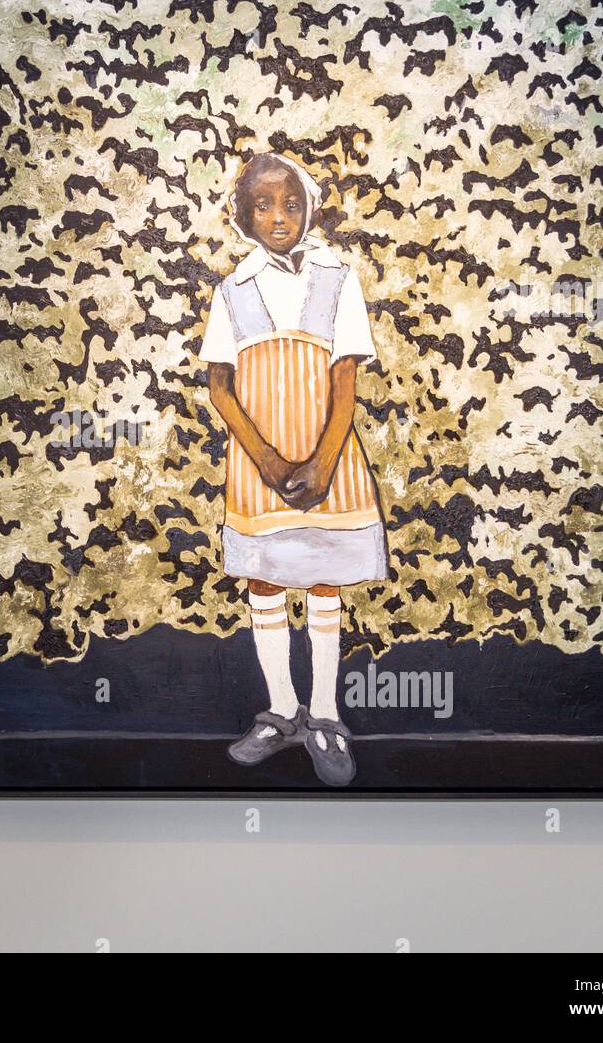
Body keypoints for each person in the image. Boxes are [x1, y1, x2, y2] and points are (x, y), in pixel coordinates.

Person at [196, 151, 390, 786]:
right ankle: (282, 709)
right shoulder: (233, 290)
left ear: (309, 208)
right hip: (260, 462)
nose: (278, 217)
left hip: (326, 457)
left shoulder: (337, 278)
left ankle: (326, 714)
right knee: (267, 583)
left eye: (290, 203)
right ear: (243, 216)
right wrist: (269, 458)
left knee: (324, 581)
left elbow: (344, 379)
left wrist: (325, 460)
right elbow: (220, 386)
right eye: (262, 205)